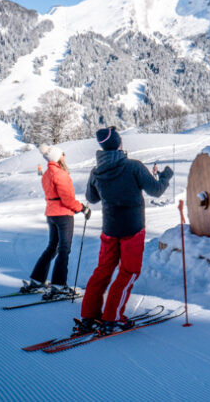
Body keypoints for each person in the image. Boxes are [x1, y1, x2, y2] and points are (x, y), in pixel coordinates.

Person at [76, 127, 172, 333]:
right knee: (128, 271)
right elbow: (155, 190)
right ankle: (113, 317)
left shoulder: (96, 171)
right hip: (132, 227)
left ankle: (89, 316)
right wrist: (165, 177)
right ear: (119, 144)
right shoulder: (133, 166)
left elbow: (92, 198)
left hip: (110, 228)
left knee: (103, 270)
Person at [20, 144, 91, 300]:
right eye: (63, 154)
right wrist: (82, 209)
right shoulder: (61, 174)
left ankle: (37, 280)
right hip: (64, 215)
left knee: (52, 247)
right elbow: (67, 199)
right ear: (58, 158)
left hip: (51, 213)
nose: (65, 156)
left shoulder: (47, 174)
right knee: (64, 249)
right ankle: (59, 286)